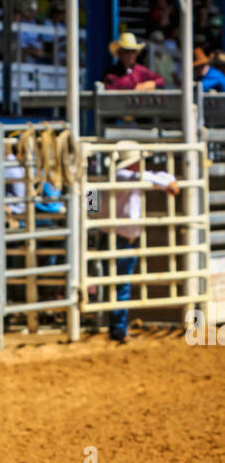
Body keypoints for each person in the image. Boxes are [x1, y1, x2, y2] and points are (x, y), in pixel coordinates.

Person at [104, 142, 180, 343]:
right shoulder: (127, 177)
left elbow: (91, 207)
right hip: (118, 238)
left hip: (109, 235)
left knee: (113, 283)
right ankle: (118, 329)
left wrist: (94, 219)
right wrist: (168, 184)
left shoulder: (111, 177)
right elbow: (155, 178)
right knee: (120, 284)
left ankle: (114, 326)